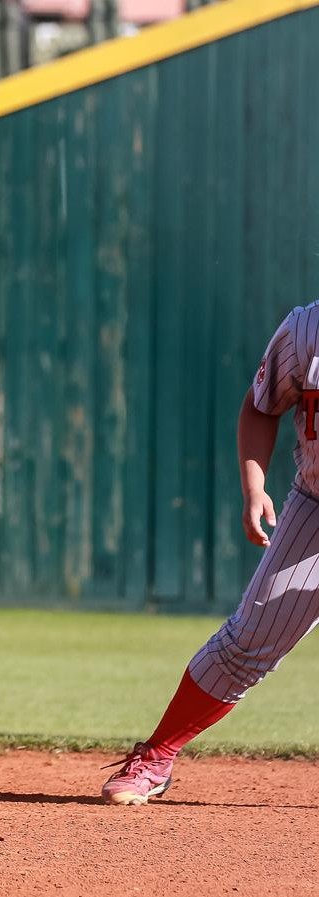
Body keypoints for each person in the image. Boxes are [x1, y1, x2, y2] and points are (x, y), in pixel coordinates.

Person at [103, 301, 319, 804]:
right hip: (314, 507)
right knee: (248, 640)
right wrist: (254, 487)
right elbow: (262, 405)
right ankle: (155, 758)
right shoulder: (306, 329)